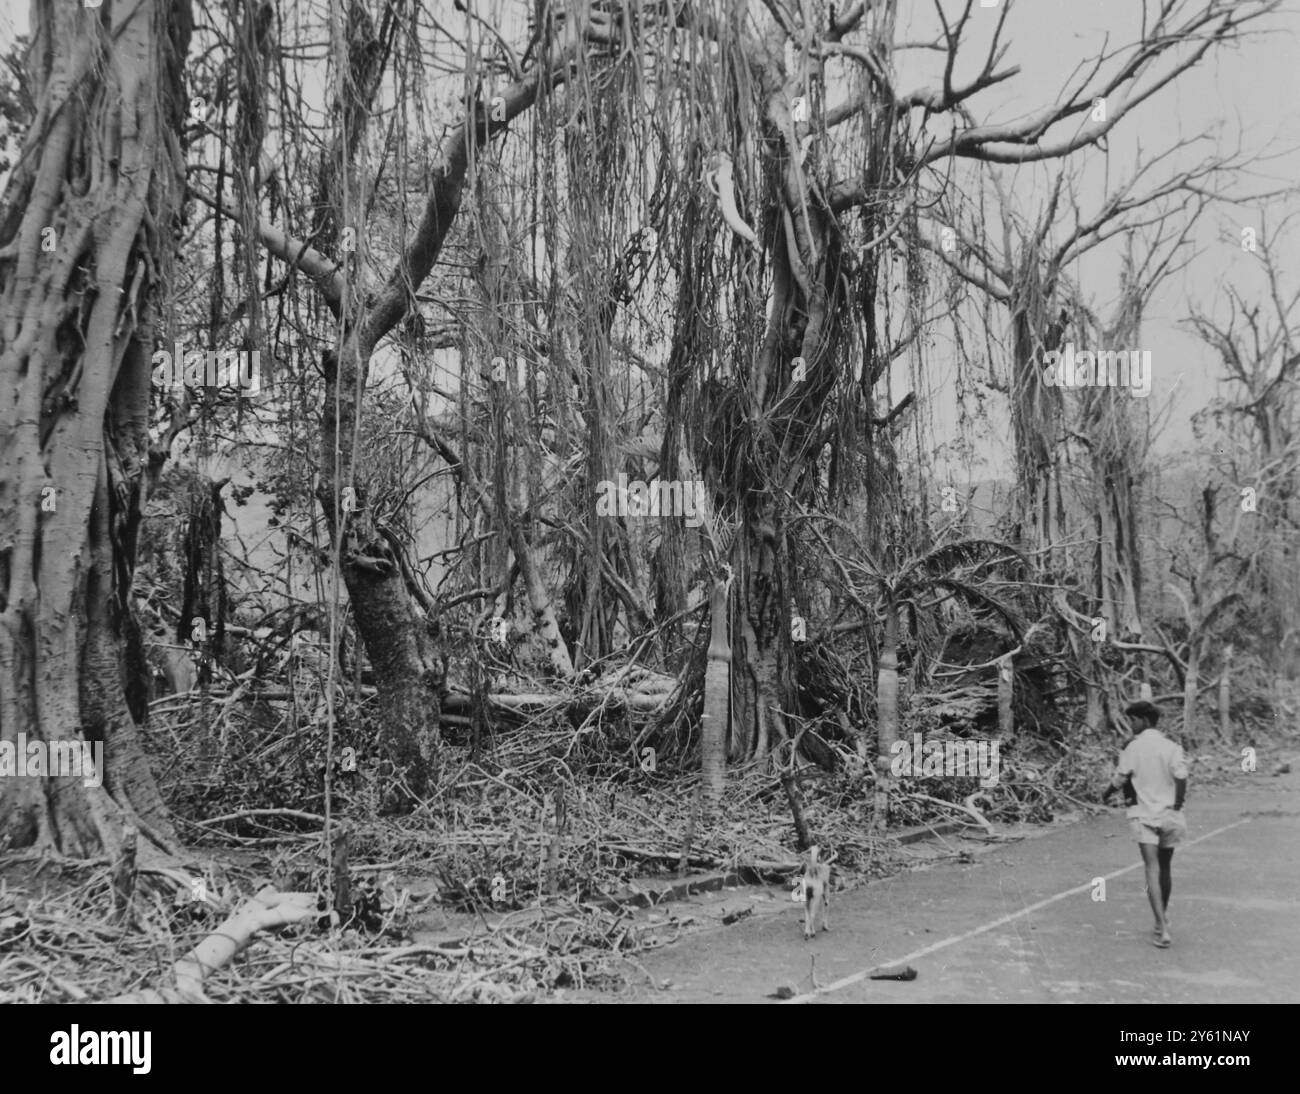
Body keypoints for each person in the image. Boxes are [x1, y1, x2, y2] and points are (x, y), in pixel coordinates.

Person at [1102, 700, 1188, 948]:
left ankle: (1161, 927)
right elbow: (1181, 777)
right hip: (1169, 814)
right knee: (1165, 867)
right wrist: (1177, 805)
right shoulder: (1172, 746)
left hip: (1143, 814)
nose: (1131, 725)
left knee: (1151, 868)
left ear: (1144, 720)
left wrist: (1106, 794)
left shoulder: (1133, 747)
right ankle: (1162, 919)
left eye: (1133, 720)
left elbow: (1121, 777)